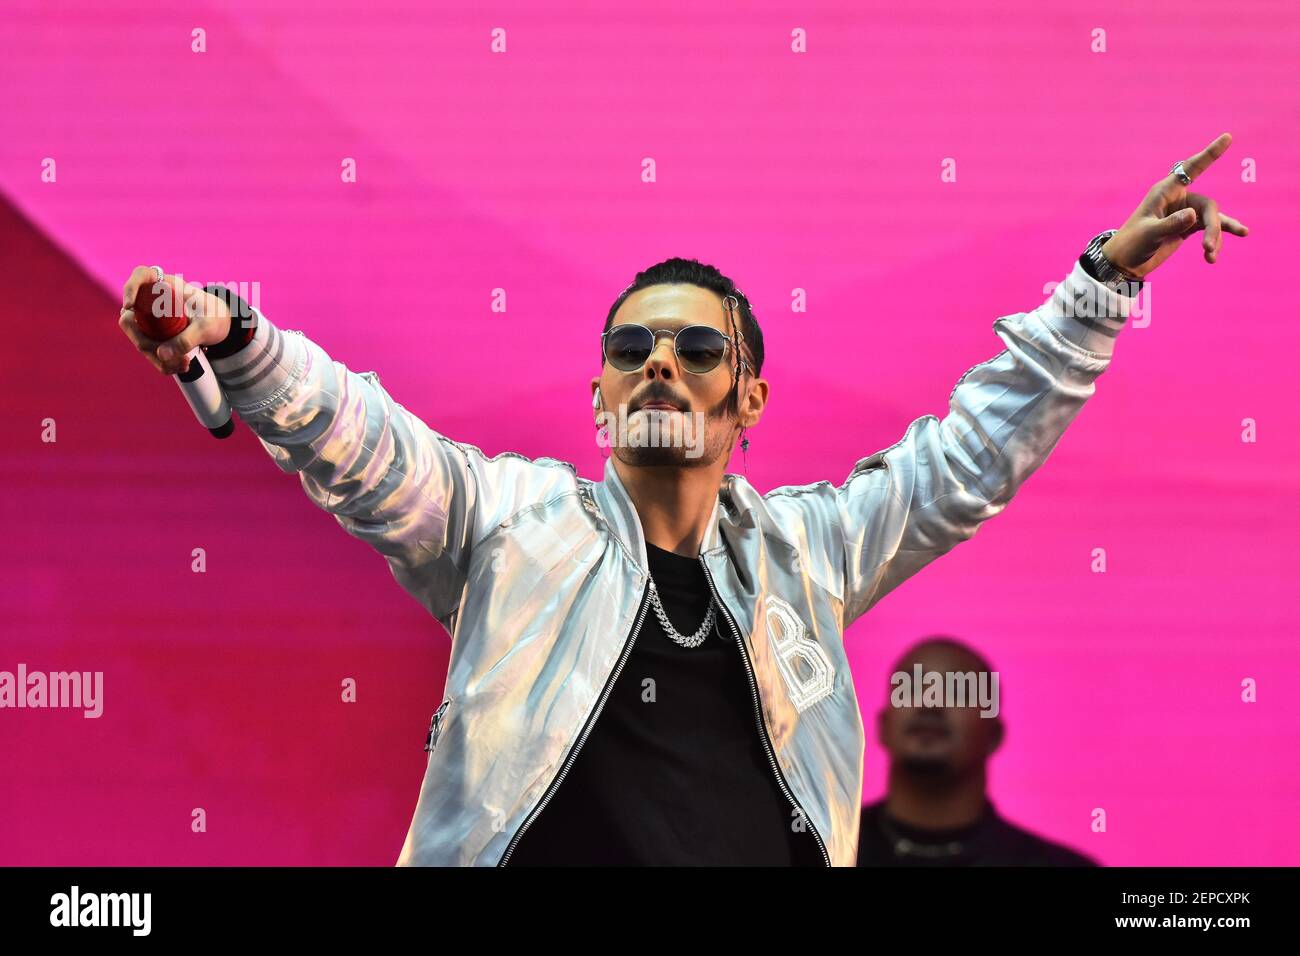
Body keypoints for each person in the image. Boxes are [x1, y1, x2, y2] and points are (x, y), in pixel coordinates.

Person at [117, 134, 1246, 866]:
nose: (660, 361)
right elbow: (361, 443)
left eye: (695, 346)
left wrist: (1100, 287)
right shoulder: (507, 526)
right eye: (631, 346)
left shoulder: (808, 551)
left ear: (747, 396)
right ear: (597, 392)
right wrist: (241, 337)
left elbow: (963, 463)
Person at [858, 637, 1097, 866]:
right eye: (908, 689)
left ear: (993, 734)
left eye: (959, 691)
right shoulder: (829, 852)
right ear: (883, 726)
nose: (929, 703)